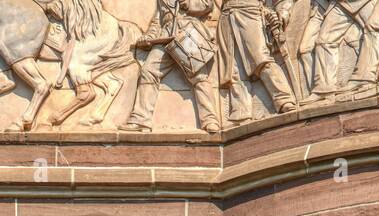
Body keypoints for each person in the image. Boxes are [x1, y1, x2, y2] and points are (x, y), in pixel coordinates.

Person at [119, 0, 221, 133]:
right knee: (148, 71)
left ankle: (210, 120)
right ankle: (141, 119)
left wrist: (188, 3)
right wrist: (149, 36)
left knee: (199, 75)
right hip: (166, 35)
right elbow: (158, 19)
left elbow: (207, 5)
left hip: (188, 31)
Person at [217, 0, 297, 120]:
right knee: (234, 69)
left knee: (262, 60)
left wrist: (282, 13)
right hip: (226, 17)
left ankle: (284, 99)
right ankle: (241, 111)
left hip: (250, 12)